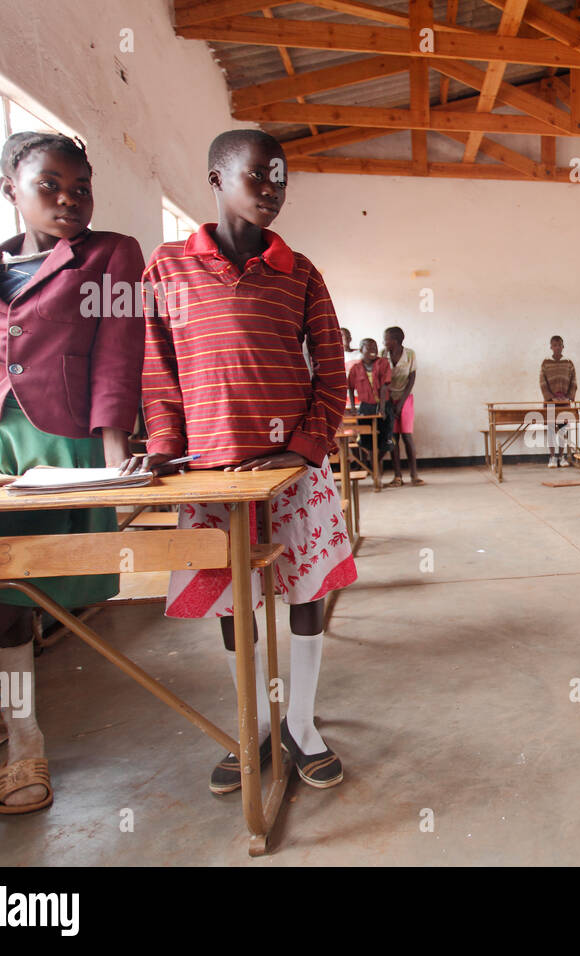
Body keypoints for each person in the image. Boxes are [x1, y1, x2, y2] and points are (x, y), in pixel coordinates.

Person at [129, 129, 355, 791]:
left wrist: (302, 449)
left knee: (308, 592)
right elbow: (158, 372)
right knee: (235, 602)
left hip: (292, 470)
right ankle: (255, 725)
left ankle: (302, 726)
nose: (272, 190)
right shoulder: (166, 268)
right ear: (216, 179)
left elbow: (332, 374)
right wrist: (168, 450)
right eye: (259, 176)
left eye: (281, 179)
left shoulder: (301, 272)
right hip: (212, 472)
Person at [0, 132, 145, 814]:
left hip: (54, 448)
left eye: (80, 186)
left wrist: (114, 458)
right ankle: (7, 727)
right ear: (10, 190)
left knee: (13, 589)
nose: (69, 199)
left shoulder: (112, 254)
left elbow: (117, 353)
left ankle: (25, 746)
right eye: (50, 185)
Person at [384, 325, 423, 486]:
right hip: (388, 399)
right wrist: (388, 402)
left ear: (395, 340)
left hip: (405, 398)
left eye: (386, 339)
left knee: (407, 436)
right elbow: (381, 379)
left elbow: (412, 379)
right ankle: (397, 476)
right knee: (393, 438)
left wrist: (400, 403)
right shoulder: (382, 354)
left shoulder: (410, 354)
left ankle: (414, 475)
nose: (384, 342)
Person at [348, 336, 393, 467]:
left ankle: (375, 464)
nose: (373, 350)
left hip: (384, 405)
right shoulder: (356, 368)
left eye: (375, 347)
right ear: (362, 350)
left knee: (386, 439)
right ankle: (367, 466)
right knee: (365, 439)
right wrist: (353, 407)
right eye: (369, 347)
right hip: (366, 406)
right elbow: (350, 388)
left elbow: (385, 386)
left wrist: (383, 409)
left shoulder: (383, 363)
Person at [539, 334, 577, 467]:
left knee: (563, 429)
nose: (557, 347)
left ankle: (562, 457)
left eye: (559, 345)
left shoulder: (568, 363)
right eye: (554, 345)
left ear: (563, 346)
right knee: (550, 429)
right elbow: (542, 382)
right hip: (550, 402)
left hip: (565, 402)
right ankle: (552, 458)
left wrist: (568, 396)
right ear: (551, 347)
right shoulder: (546, 363)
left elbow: (573, 381)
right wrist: (551, 397)